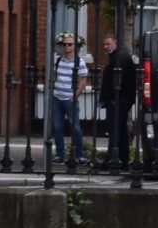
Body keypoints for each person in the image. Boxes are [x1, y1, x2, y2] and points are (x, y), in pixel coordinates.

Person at [97, 33, 140, 167]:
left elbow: (117, 80)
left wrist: (113, 97)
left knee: (115, 129)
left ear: (115, 43)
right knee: (120, 129)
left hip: (119, 99)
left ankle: (111, 158)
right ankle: (123, 158)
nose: (105, 47)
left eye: (108, 43)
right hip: (124, 98)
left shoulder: (118, 58)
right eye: (104, 44)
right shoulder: (119, 56)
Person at [47, 33, 88, 170]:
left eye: (69, 44)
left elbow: (83, 79)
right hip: (57, 98)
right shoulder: (58, 61)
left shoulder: (79, 62)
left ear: (75, 46)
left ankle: (79, 155)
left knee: (75, 127)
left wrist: (75, 96)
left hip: (70, 99)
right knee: (58, 127)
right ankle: (60, 155)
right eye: (64, 44)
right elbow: (55, 76)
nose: (66, 47)